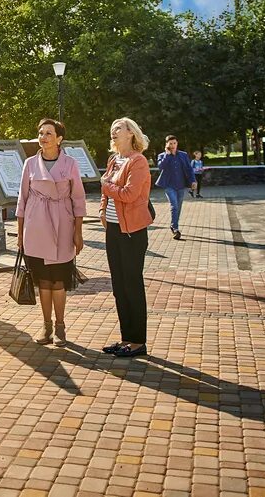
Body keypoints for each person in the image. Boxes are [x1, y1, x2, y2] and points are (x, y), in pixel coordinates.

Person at [15, 118, 86, 346]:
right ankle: (46, 327)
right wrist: (19, 233)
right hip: (36, 226)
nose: (43, 137)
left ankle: (60, 327)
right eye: (41, 132)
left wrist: (78, 232)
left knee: (59, 281)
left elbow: (79, 200)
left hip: (63, 224)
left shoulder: (71, 164)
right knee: (43, 281)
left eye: (48, 133)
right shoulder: (30, 164)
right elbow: (22, 200)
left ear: (59, 139)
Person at [100, 117, 154, 357]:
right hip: (113, 229)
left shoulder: (138, 161)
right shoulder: (114, 160)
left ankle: (138, 341)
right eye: (112, 129)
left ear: (131, 133)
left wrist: (105, 187)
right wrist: (102, 209)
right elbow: (108, 193)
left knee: (132, 285)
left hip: (132, 231)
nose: (114, 131)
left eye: (119, 128)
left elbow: (130, 194)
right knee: (119, 286)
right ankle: (126, 338)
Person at [155, 135, 195, 240]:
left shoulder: (183, 155)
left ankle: (173, 224)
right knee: (174, 206)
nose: (172, 145)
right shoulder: (162, 155)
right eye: (170, 143)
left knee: (179, 207)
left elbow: (189, 169)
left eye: (174, 143)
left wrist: (193, 181)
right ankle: (175, 228)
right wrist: (167, 155)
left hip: (181, 185)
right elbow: (161, 166)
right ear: (167, 145)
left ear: (177, 143)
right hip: (169, 186)